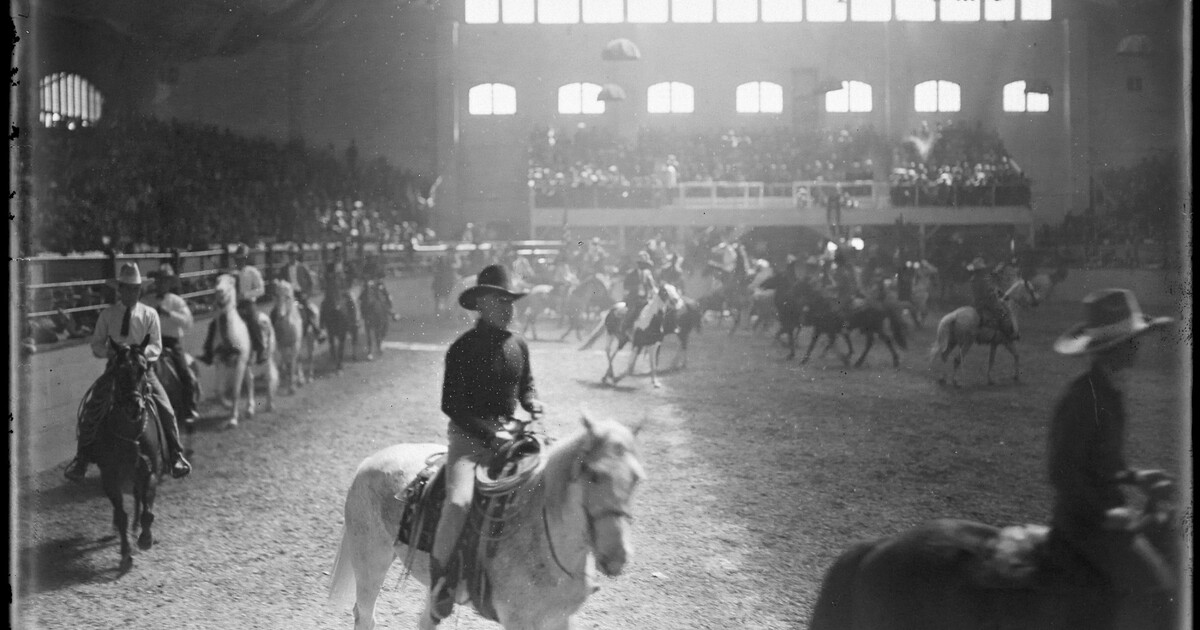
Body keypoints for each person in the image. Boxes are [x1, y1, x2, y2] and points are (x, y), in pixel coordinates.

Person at [428, 264, 544, 624]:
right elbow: (451, 405)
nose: (508, 308)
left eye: (510, 301)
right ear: (481, 302)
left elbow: (526, 385)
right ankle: (440, 584)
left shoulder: (518, 344)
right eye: (500, 300)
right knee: (459, 503)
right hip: (467, 441)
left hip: (509, 436)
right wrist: (488, 434)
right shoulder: (461, 349)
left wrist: (533, 403)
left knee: (543, 486)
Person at [1048, 289, 1175, 616]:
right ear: (1116, 349)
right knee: (1154, 587)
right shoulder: (1082, 397)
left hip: (1103, 513)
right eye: (1134, 340)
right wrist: (1103, 515)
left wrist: (1136, 476)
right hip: (1081, 523)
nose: (1139, 345)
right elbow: (1061, 471)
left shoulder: (1109, 389)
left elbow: (1104, 462)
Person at [64, 263, 192, 482]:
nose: (131, 293)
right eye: (126, 288)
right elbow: (96, 344)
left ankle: (175, 455)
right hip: (115, 370)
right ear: (119, 290)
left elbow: (156, 345)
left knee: (166, 408)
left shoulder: (149, 314)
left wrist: (142, 355)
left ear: (140, 291)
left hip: (143, 371)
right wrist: (111, 353)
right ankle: (82, 458)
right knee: (92, 406)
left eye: (135, 289)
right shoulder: (108, 314)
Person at [147, 263, 200, 425]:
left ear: (170, 283)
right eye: (159, 280)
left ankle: (189, 407)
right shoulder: (146, 300)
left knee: (183, 371)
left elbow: (188, 322)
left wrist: (169, 314)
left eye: (165, 281)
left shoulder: (176, 302)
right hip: (150, 341)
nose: (161, 283)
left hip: (171, 342)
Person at [200, 244, 267, 365]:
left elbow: (261, 289)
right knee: (215, 323)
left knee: (253, 320)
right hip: (233, 305)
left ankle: (260, 349)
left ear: (246, 259)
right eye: (238, 259)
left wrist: (246, 294)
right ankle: (208, 351)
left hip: (247, 303)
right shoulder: (231, 274)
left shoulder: (252, 272)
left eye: (242, 259)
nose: (240, 261)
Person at [280, 243, 323, 339]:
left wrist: (306, 294)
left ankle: (317, 330)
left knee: (308, 310)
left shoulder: (302, 267)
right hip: (288, 295)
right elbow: (281, 283)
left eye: (293, 254)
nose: (292, 257)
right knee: (278, 311)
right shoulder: (284, 269)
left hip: (300, 294)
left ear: (296, 255)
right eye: (290, 255)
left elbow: (310, 283)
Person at [967, 256, 1017, 340]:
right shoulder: (982, 279)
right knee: (1002, 313)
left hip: (975, 301)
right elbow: (986, 292)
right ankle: (1005, 334)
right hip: (984, 302)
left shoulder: (973, 278)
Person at [621, 251, 658, 333]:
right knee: (631, 313)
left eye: (646, 265)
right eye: (643, 265)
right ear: (639, 264)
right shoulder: (630, 274)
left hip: (646, 299)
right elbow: (626, 287)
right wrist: (636, 288)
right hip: (634, 299)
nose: (645, 267)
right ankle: (625, 329)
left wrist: (655, 292)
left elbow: (653, 286)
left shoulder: (648, 274)